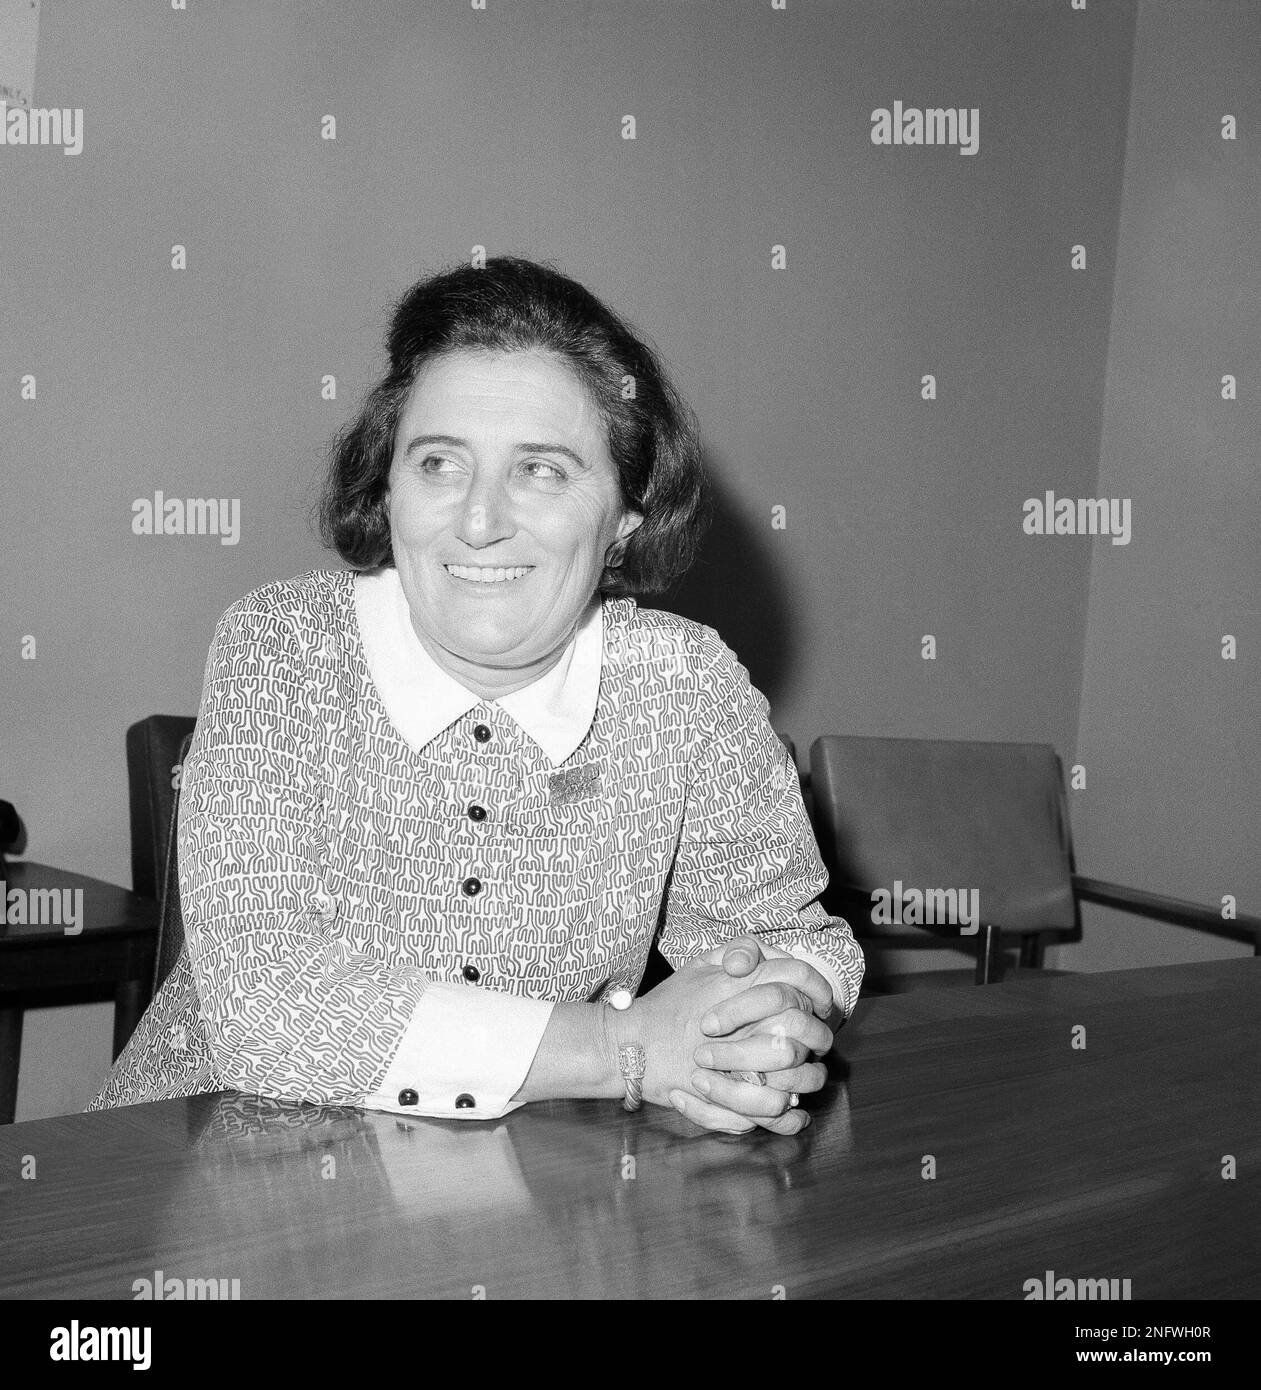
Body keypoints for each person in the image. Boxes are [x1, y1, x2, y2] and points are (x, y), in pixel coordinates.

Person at [90, 255, 864, 1135]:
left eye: (541, 470)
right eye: (438, 464)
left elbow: (790, 937)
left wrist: (754, 1029)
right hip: (208, 1164)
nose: (478, 520)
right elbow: (270, 1009)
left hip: (537, 1175)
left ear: (626, 517)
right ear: (386, 488)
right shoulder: (283, 645)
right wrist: (632, 1050)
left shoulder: (687, 683)